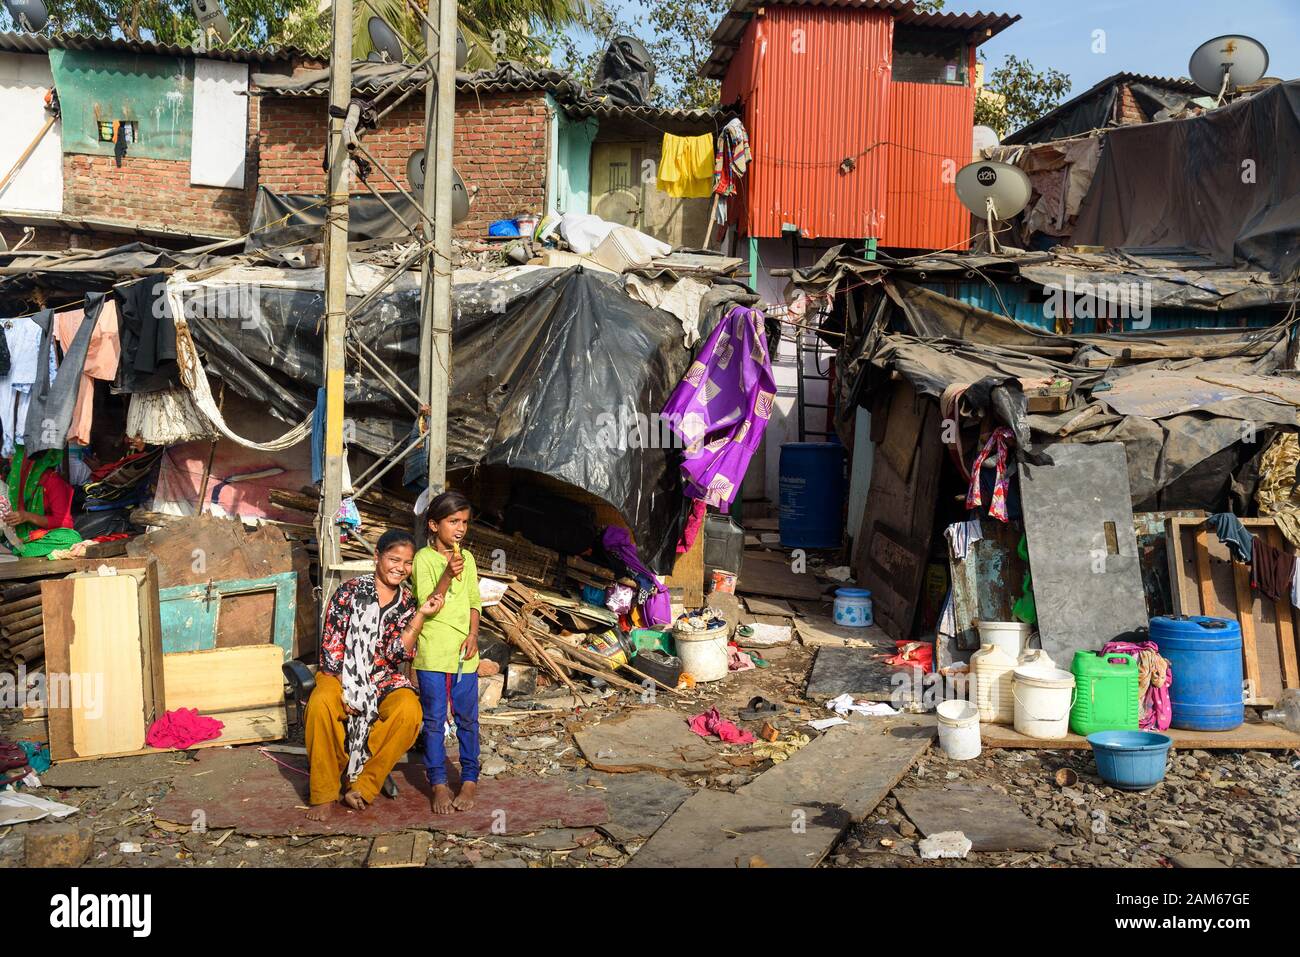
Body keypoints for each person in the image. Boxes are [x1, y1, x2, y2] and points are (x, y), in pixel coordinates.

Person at [305, 529, 442, 822]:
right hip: (340, 673)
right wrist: (349, 688)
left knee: (408, 711)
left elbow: (397, 655)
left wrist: (420, 616)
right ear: (376, 557)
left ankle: (363, 784)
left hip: (382, 677)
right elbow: (332, 645)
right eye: (394, 559)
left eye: (407, 563)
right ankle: (324, 792)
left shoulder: (407, 603)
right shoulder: (349, 592)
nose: (400, 568)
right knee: (321, 706)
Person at [412, 491, 482, 814]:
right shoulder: (422, 560)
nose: (460, 529)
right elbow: (429, 603)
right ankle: (438, 783)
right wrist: (446, 575)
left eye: (464, 522)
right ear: (434, 524)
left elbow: (473, 602)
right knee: (434, 721)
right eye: (453, 521)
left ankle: (469, 779)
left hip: (464, 654)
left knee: (468, 718)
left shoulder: (467, 559)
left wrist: (473, 635)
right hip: (433, 653)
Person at [2, 447, 81, 558]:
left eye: (15, 454)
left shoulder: (53, 482)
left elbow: (65, 524)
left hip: (43, 537)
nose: (9, 458)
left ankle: (15, 550)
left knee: (71, 538)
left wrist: (27, 516)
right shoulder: (14, 479)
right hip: (14, 536)